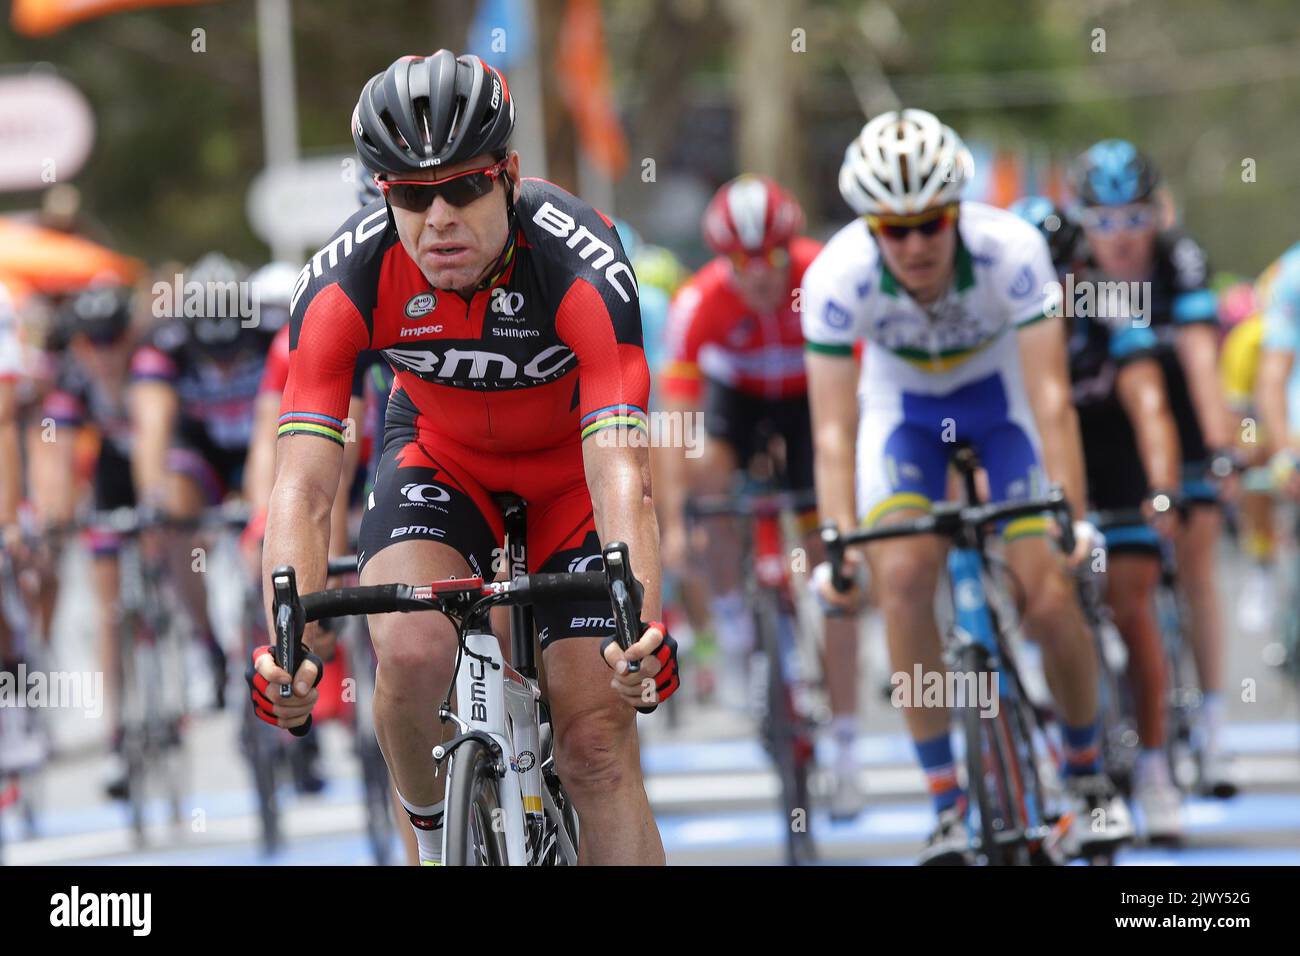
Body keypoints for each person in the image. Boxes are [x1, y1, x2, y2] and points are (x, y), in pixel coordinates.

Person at [249, 50, 678, 865]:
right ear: (385, 195)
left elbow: (623, 468)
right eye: (411, 195)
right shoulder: (344, 280)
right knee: (407, 649)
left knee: (595, 743)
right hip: (441, 464)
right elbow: (302, 489)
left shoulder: (581, 260)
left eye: (465, 186)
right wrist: (290, 647)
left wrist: (641, 627)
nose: (438, 216)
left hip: (572, 480)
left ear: (509, 176)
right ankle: (428, 830)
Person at [803, 109, 1132, 864]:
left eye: (930, 223)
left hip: (1001, 405)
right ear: (871, 228)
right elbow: (832, 433)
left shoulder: (1011, 250)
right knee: (905, 578)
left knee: (1048, 595)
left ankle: (1087, 780)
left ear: (956, 212)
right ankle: (948, 803)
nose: (915, 243)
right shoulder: (834, 275)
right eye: (895, 228)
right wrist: (838, 550)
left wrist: (1070, 520)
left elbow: (1051, 401)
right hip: (903, 415)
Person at [656, 174, 867, 818]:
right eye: (740, 265)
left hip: (812, 401)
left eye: (772, 260)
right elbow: (674, 421)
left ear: (791, 247)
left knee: (833, 568)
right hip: (740, 403)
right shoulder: (700, 303)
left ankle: (847, 750)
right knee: (704, 472)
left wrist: (846, 517)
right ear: (722, 260)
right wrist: (674, 523)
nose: (759, 278)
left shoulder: (824, 274)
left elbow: (857, 397)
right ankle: (733, 616)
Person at [1012, 195, 1184, 840]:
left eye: (1064, 274)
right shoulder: (1004, 319)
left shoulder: (1109, 304)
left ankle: (1157, 768)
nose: (1054, 290)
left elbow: (1150, 405)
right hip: (1037, 462)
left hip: (1113, 462)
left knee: (1130, 601)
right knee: (1036, 595)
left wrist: (1163, 488)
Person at [1070, 140, 1237, 797]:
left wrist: (1220, 447)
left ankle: (1217, 729)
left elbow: (1200, 360)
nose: (1121, 236)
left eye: (1134, 216)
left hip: (1183, 416)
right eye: (1104, 220)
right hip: (1111, 426)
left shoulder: (1180, 259)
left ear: (1157, 215)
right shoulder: (1074, 278)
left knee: (1196, 566)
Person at [129, 252, 278, 711]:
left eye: (233, 350)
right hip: (203, 456)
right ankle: (207, 641)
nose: (226, 365)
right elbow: (151, 428)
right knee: (171, 512)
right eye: (212, 353)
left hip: (262, 442)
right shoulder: (163, 343)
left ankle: (285, 652)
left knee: (273, 521)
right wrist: (153, 503)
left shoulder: (274, 329)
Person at [34, 286, 144, 795]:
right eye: (92, 341)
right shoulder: (74, 381)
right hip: (110, 477)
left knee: (173, 541)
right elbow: (54, 453)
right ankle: (116, 737)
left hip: (158, 465)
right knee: (109, 609)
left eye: (112, 339)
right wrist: (54, 516)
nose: (103, 351)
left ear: (129, 335)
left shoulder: (152, 362)